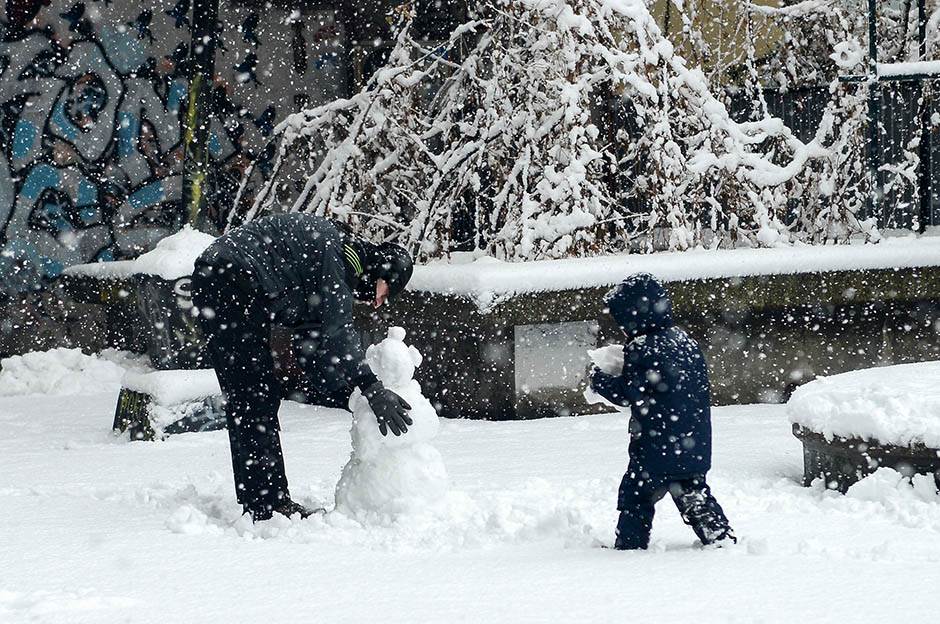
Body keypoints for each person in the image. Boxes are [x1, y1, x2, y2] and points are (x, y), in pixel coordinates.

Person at [190, 214, 415, 522]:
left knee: (253, 397)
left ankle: (261, 498)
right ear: (381, 273)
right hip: (230, 281)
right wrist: (372, 389)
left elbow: (315, 341)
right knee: (254, 397)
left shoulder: (330, 260)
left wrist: (335, 385)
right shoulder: (335, 255)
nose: (376, 303)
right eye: (384, 292)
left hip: (224, 281)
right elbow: (337, 331)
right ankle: (267, 506)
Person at [589, 273, 735, 549]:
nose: (622, 328)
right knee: (693, 493)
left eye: (622, 320)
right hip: (693, 444)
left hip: (655, 447)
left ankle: (630, 546)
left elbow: (627, 394)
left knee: (636, 496)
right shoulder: (686, 342)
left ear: (634, 315)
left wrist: (599, 379)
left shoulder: (642, 349)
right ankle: (719, 538)